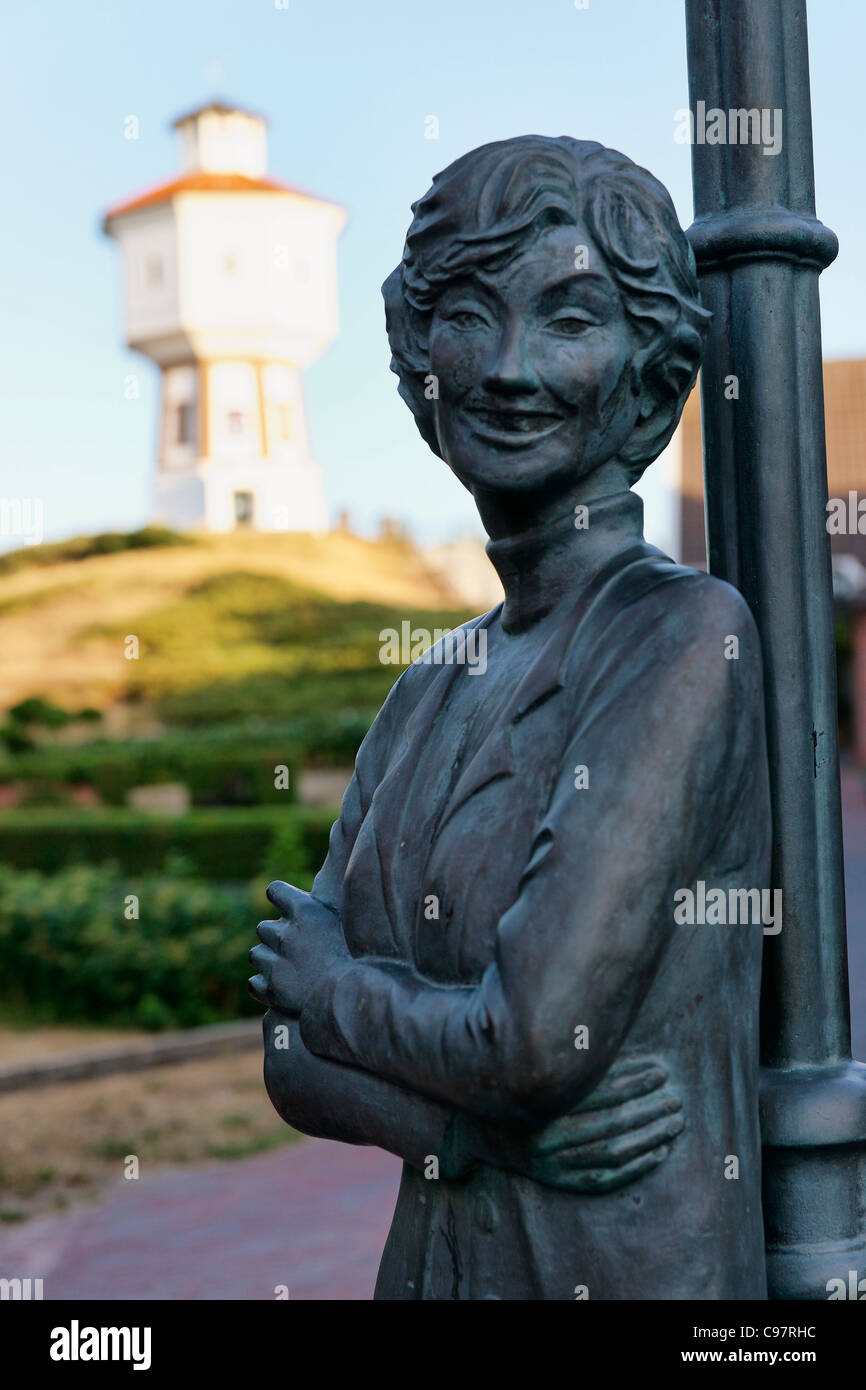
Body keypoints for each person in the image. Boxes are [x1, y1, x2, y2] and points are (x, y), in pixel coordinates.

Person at [250, 136, 771, 1300]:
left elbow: (534, 1042)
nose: (507, 368)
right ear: (417, 359)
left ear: (648, 374)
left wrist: (341, 993)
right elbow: (283, 1057)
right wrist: (462, 1138)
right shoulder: (427, 686)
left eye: (571, 320)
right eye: (469, 316)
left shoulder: (680, 635)